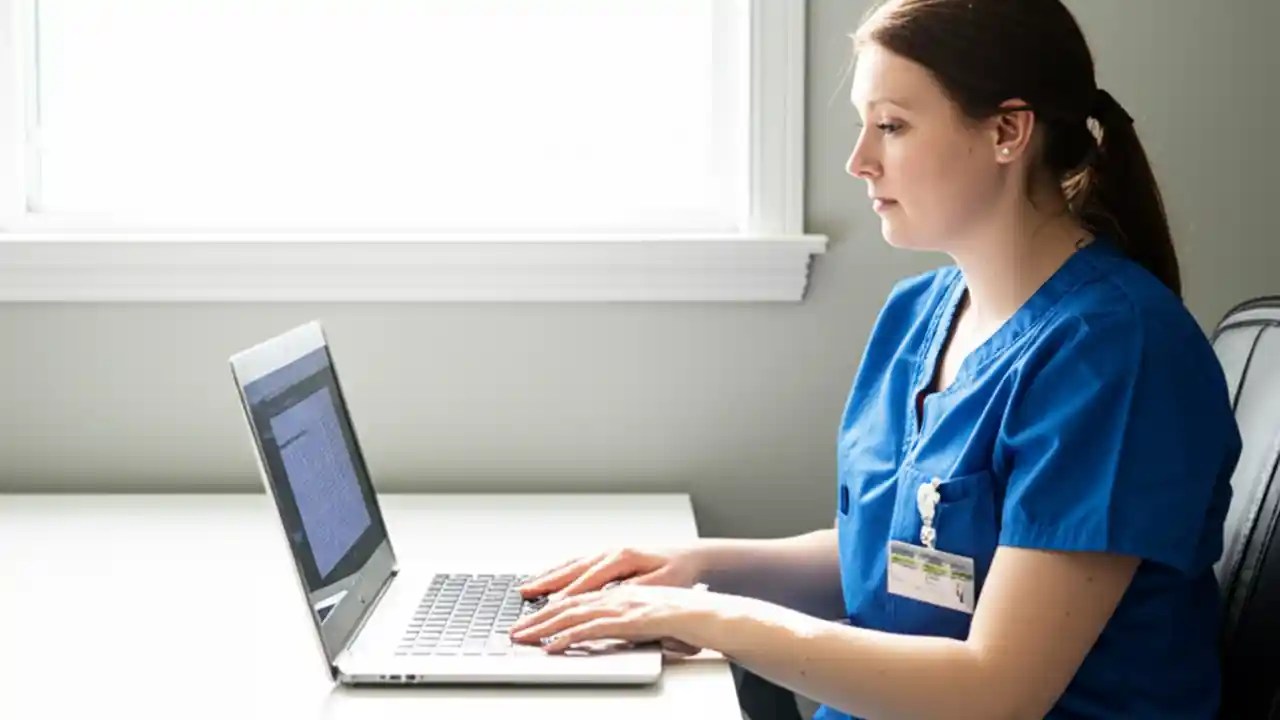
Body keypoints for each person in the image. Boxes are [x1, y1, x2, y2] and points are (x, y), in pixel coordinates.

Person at [507, 0, 1243, 717]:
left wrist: (708, 620)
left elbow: (997, 691)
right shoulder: (919, 313)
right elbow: (898, 559)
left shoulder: (1114, 356)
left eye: (891, 126)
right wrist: (697, 568)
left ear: (1008, 132)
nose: (858, 162)